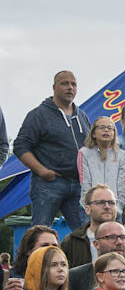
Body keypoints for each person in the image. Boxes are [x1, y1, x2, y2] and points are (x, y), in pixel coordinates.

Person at [14, 71, 91, 228]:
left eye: (73, 84)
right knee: (39, 233)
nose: (70, 87)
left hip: (78, 185)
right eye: (64, 83)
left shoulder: (82, 116)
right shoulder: (38, 115)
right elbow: (20, 145)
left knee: (85, 234)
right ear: (54, 87)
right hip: (49, 184)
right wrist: (42, 171)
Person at [61, 184, 125, 290]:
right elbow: (63, 282)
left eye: (111, 203)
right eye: (100, 202)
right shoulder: (72, 241)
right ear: (87, 209)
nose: (107, 206)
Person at [78, 116, 125, 213]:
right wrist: (89, 208)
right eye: (101, 127)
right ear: (93, 133)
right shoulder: (84, 153)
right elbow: (85, 184)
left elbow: (122, 186)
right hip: (91, 210)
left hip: (113, 209)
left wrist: (118, 208)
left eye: (110, 128)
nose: (106, 130)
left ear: (114, 134)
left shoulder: (123, 155)